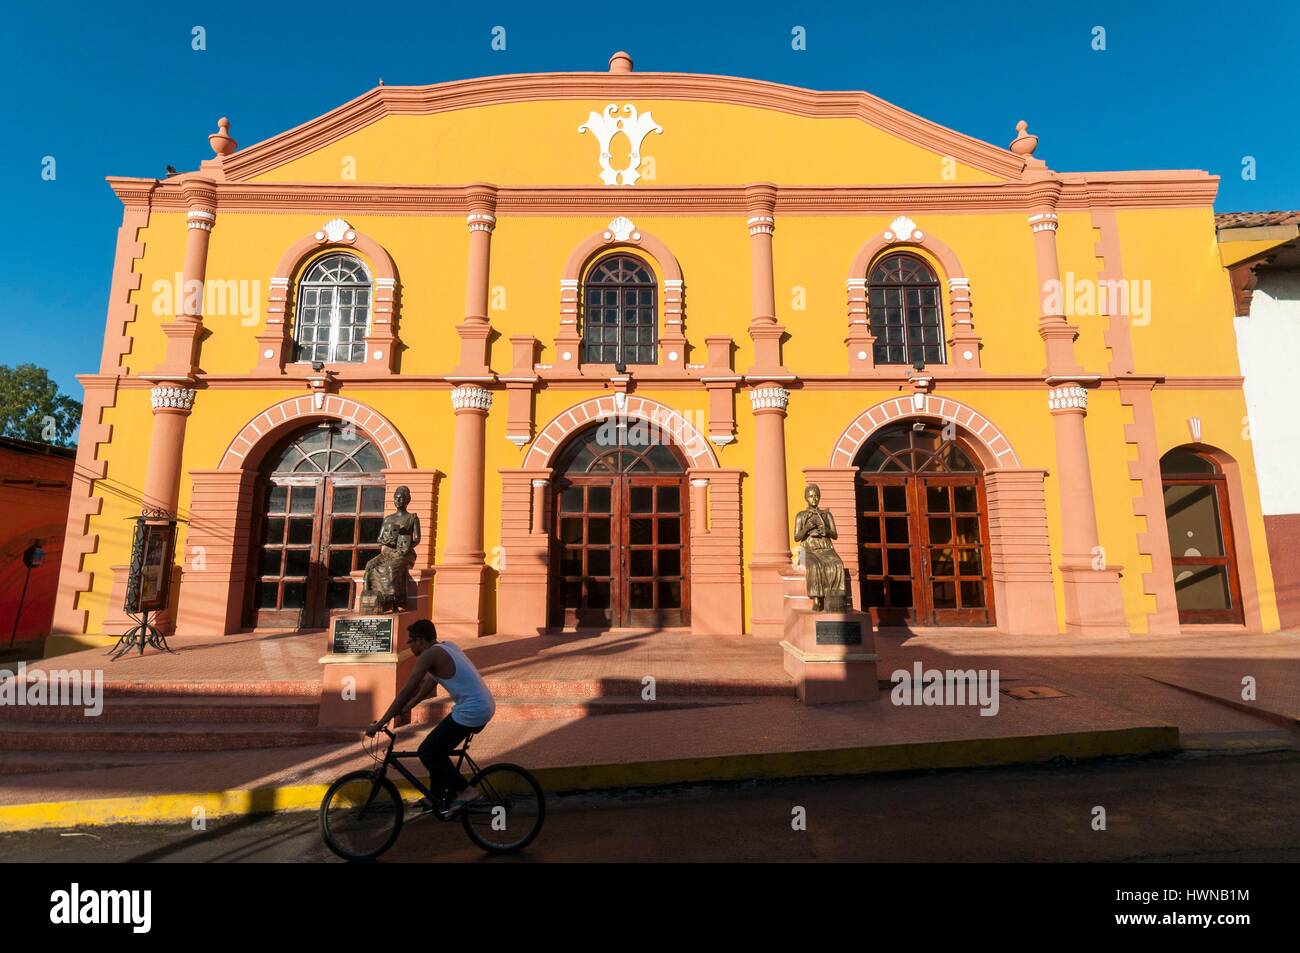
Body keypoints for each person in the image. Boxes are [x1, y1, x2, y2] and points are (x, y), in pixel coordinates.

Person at [366, 619, 496, 816]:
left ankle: (467, 791)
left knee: (427, 751)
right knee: (437, 751)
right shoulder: (447, 646)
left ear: (420, 640)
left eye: (411, 641)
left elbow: (406, 690)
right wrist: (412, 705)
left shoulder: (429, 655)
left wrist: (381, 723)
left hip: (472, 710)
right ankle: (435, 795)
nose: (409, 646)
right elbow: (431, 682)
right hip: (482, 705)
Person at [792, 483, 847, 611]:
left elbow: (835, 535)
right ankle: (816, 599)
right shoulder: (801, 515)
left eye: (817, 496)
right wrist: (807, 527)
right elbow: (797, 537)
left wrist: (825, 530)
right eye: (811, 496)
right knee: (814, 566)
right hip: (807, 549)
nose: (814, 499)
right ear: (806, 498)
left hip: (826, 548)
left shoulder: (827, 515)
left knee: (837, 564)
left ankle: (835, 598)